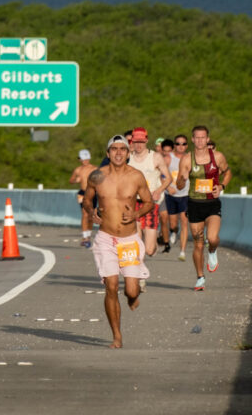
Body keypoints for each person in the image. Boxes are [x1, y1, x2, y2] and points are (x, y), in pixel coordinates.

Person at [82, 134, 155, 348]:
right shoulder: (97, 176)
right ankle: (117, 335)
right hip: (105, 239)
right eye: (114, 149)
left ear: (128, 153)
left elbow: (149, 202)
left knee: (130, 290)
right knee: (111, 286)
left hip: (129, 240)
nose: (118, 152)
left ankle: (133, 296)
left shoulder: (136, 176)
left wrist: (136, 214)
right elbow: (87, 199)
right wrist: (91, 211)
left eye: (123, 149)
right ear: (108, 153)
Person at [176, 125, 230, 291]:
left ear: (207, 139)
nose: (200, 140)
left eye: (203, 137)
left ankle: (212, 251)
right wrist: (183, 180)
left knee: (212, 238)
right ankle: (200, 278)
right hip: (194, 205)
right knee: (198, 244)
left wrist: (221, 186)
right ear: (192, 139)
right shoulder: (186, 160)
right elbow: (178, 185)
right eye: (196, 137)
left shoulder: (218, 157)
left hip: (212, 205)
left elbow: (228, 172)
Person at [128, 127, 171, 259]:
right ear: (132, 142)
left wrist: (158, 191)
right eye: (136, 141)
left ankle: (154, 247)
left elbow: (168, 178)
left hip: (150, 203)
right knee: (136, 240)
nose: (139, 145)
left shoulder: (155, 157)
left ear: (146, 141)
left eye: (141, 142)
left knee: (149, 250)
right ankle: (139, 275)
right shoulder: (127, 157)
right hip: (133, 202)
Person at [165, 134, 190, 261]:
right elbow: (160, 174)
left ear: (187, 145)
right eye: (178, 144)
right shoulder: (169, 158)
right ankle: (174, 231)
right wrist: (167, 187)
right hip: (171, 194)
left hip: (185, 195)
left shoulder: (190, 158)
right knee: (173, 223)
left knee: (185, 221)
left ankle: (182, 251)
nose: (181, 146)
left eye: (184, 144)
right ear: (175, 145)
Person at [68, 149, 97, 247]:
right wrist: (76, 180)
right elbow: (71, 181)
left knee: (91, 215)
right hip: (82, 193)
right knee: (85, 213)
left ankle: (88, 235)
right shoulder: (78, 170)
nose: (85, 161)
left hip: (93, 193)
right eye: (83, 159)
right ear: (80, 160)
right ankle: (85, 237)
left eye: (86, 159)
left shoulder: (95, 169)